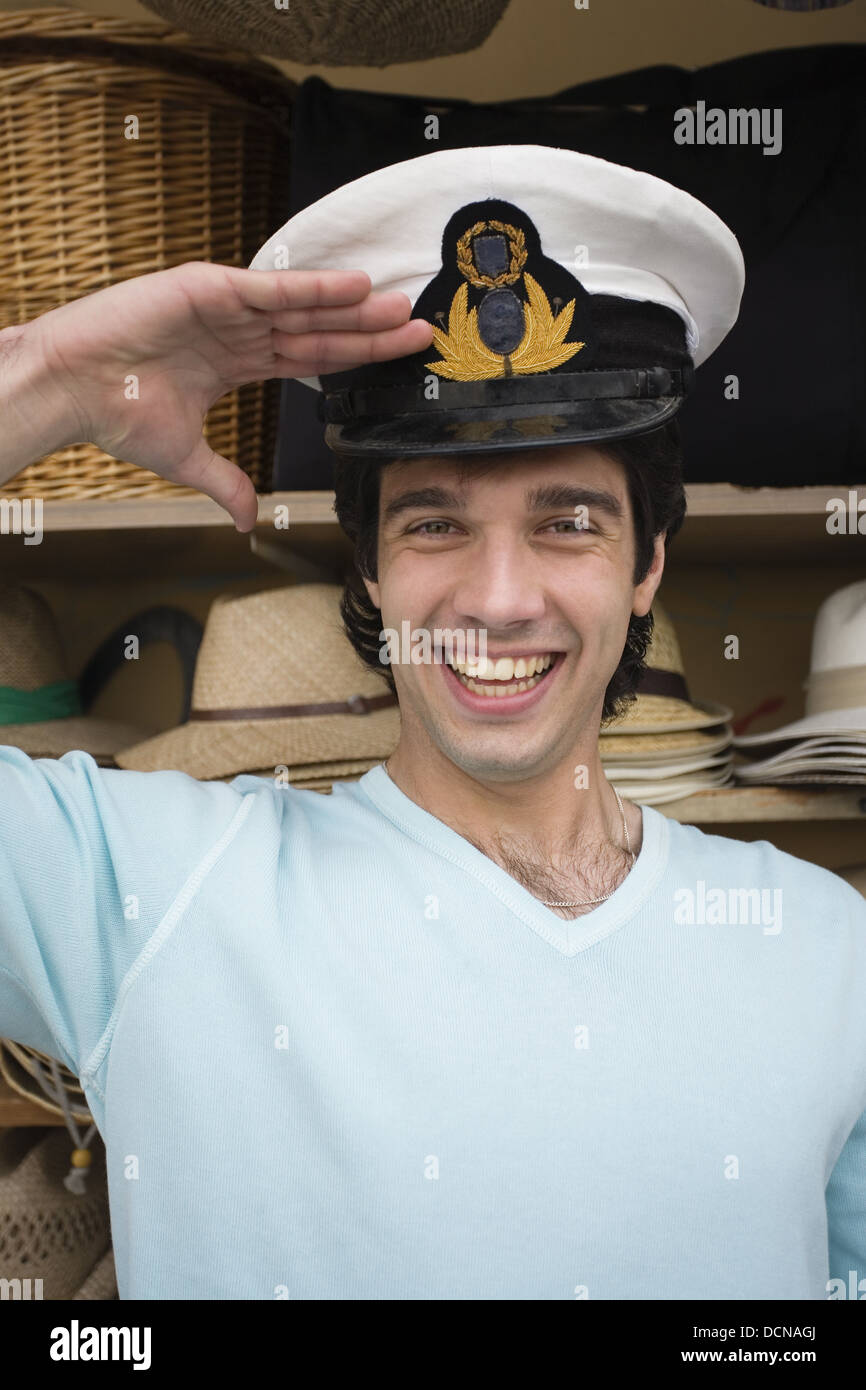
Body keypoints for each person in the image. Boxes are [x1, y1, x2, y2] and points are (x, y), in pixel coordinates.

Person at [0, 144, 863, 1301]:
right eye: (434, 524)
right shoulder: (142, 892)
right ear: (366, 565)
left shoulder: (821, 946)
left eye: (565, 520)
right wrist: (53, 374)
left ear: (646, 563)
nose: (499, 599)